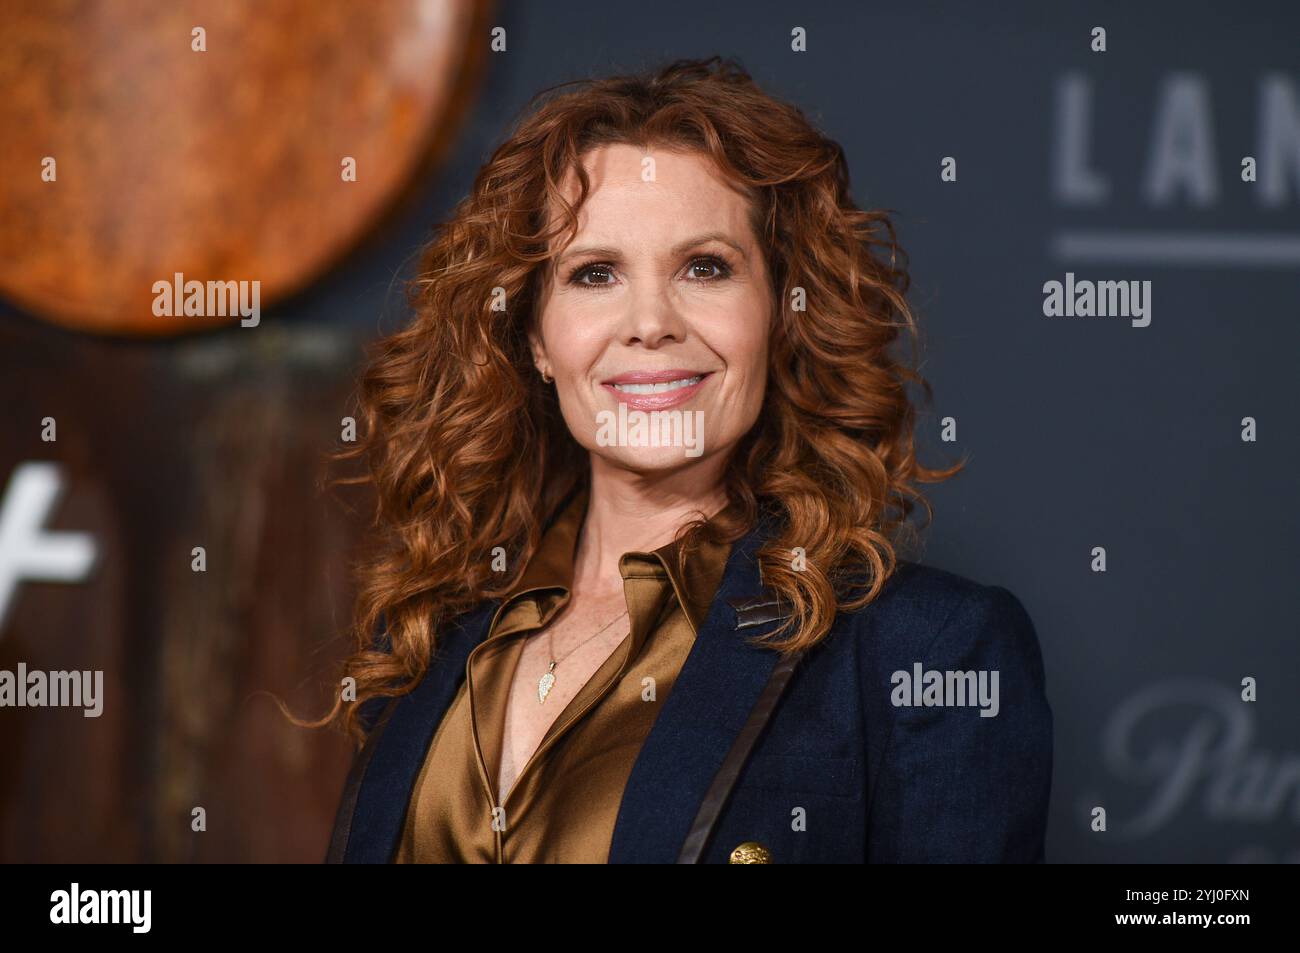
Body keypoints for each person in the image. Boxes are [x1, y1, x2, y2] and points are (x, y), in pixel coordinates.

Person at [319, 56, 1052, 863]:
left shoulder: (924, 648)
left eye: (705, 267)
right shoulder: (430, 629)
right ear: (535, 338)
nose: (651, 322)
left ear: (780, 313)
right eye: (595, 273)